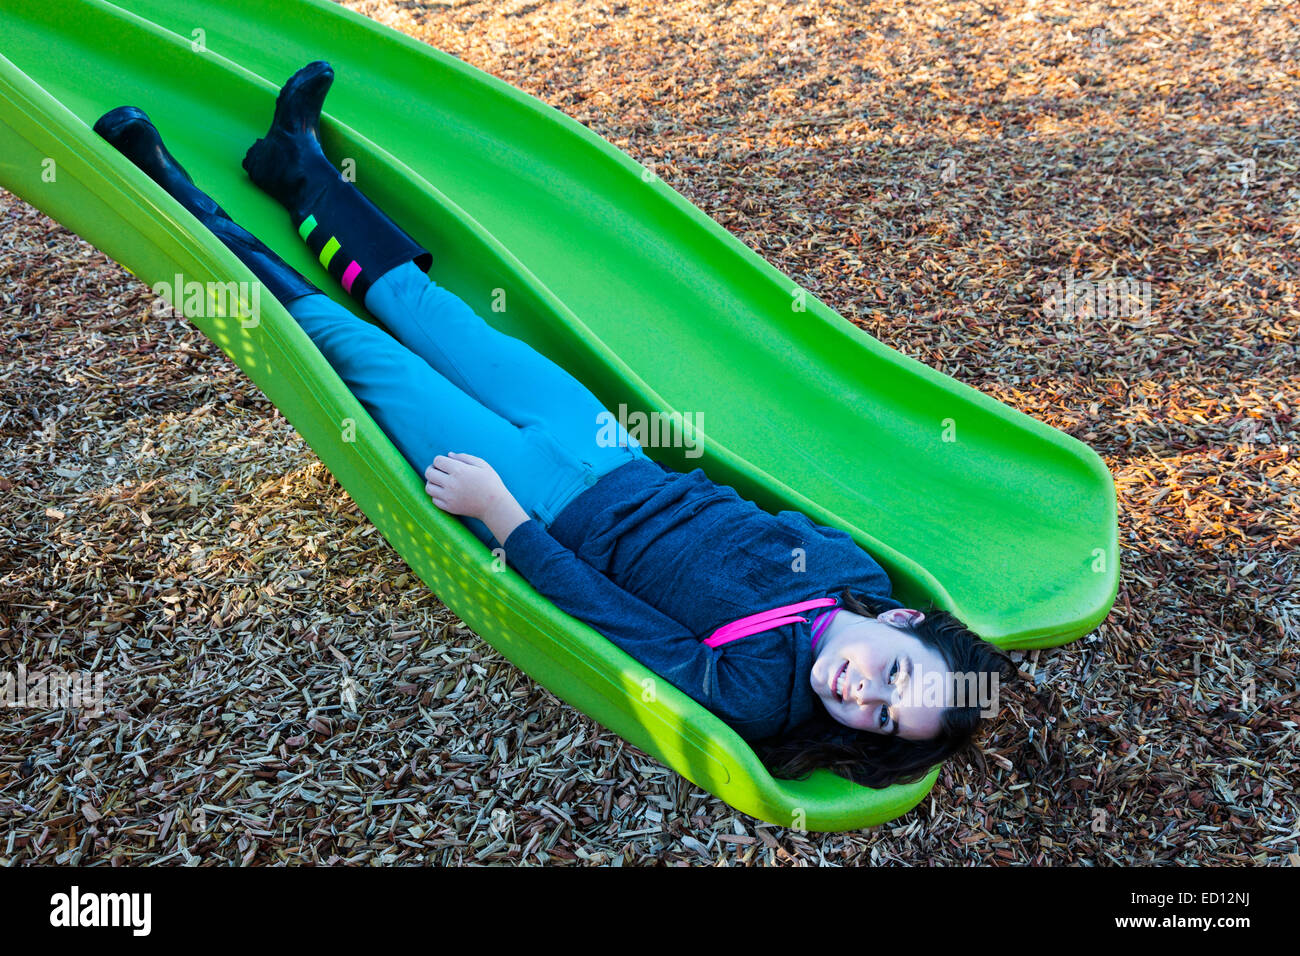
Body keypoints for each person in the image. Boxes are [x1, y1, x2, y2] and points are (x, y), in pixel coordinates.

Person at [93, 62, 1014, 790]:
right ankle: (295, 168)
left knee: (352, 349)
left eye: (884, 721)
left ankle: (173, 194)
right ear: (899, 620)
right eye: (895, 675)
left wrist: (504, 518)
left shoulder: (757, 697)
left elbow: (605, 616)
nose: (865, 697)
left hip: (538, 500)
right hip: (613, 453)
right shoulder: (855, 575)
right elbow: (756, 509)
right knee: (429, 308)